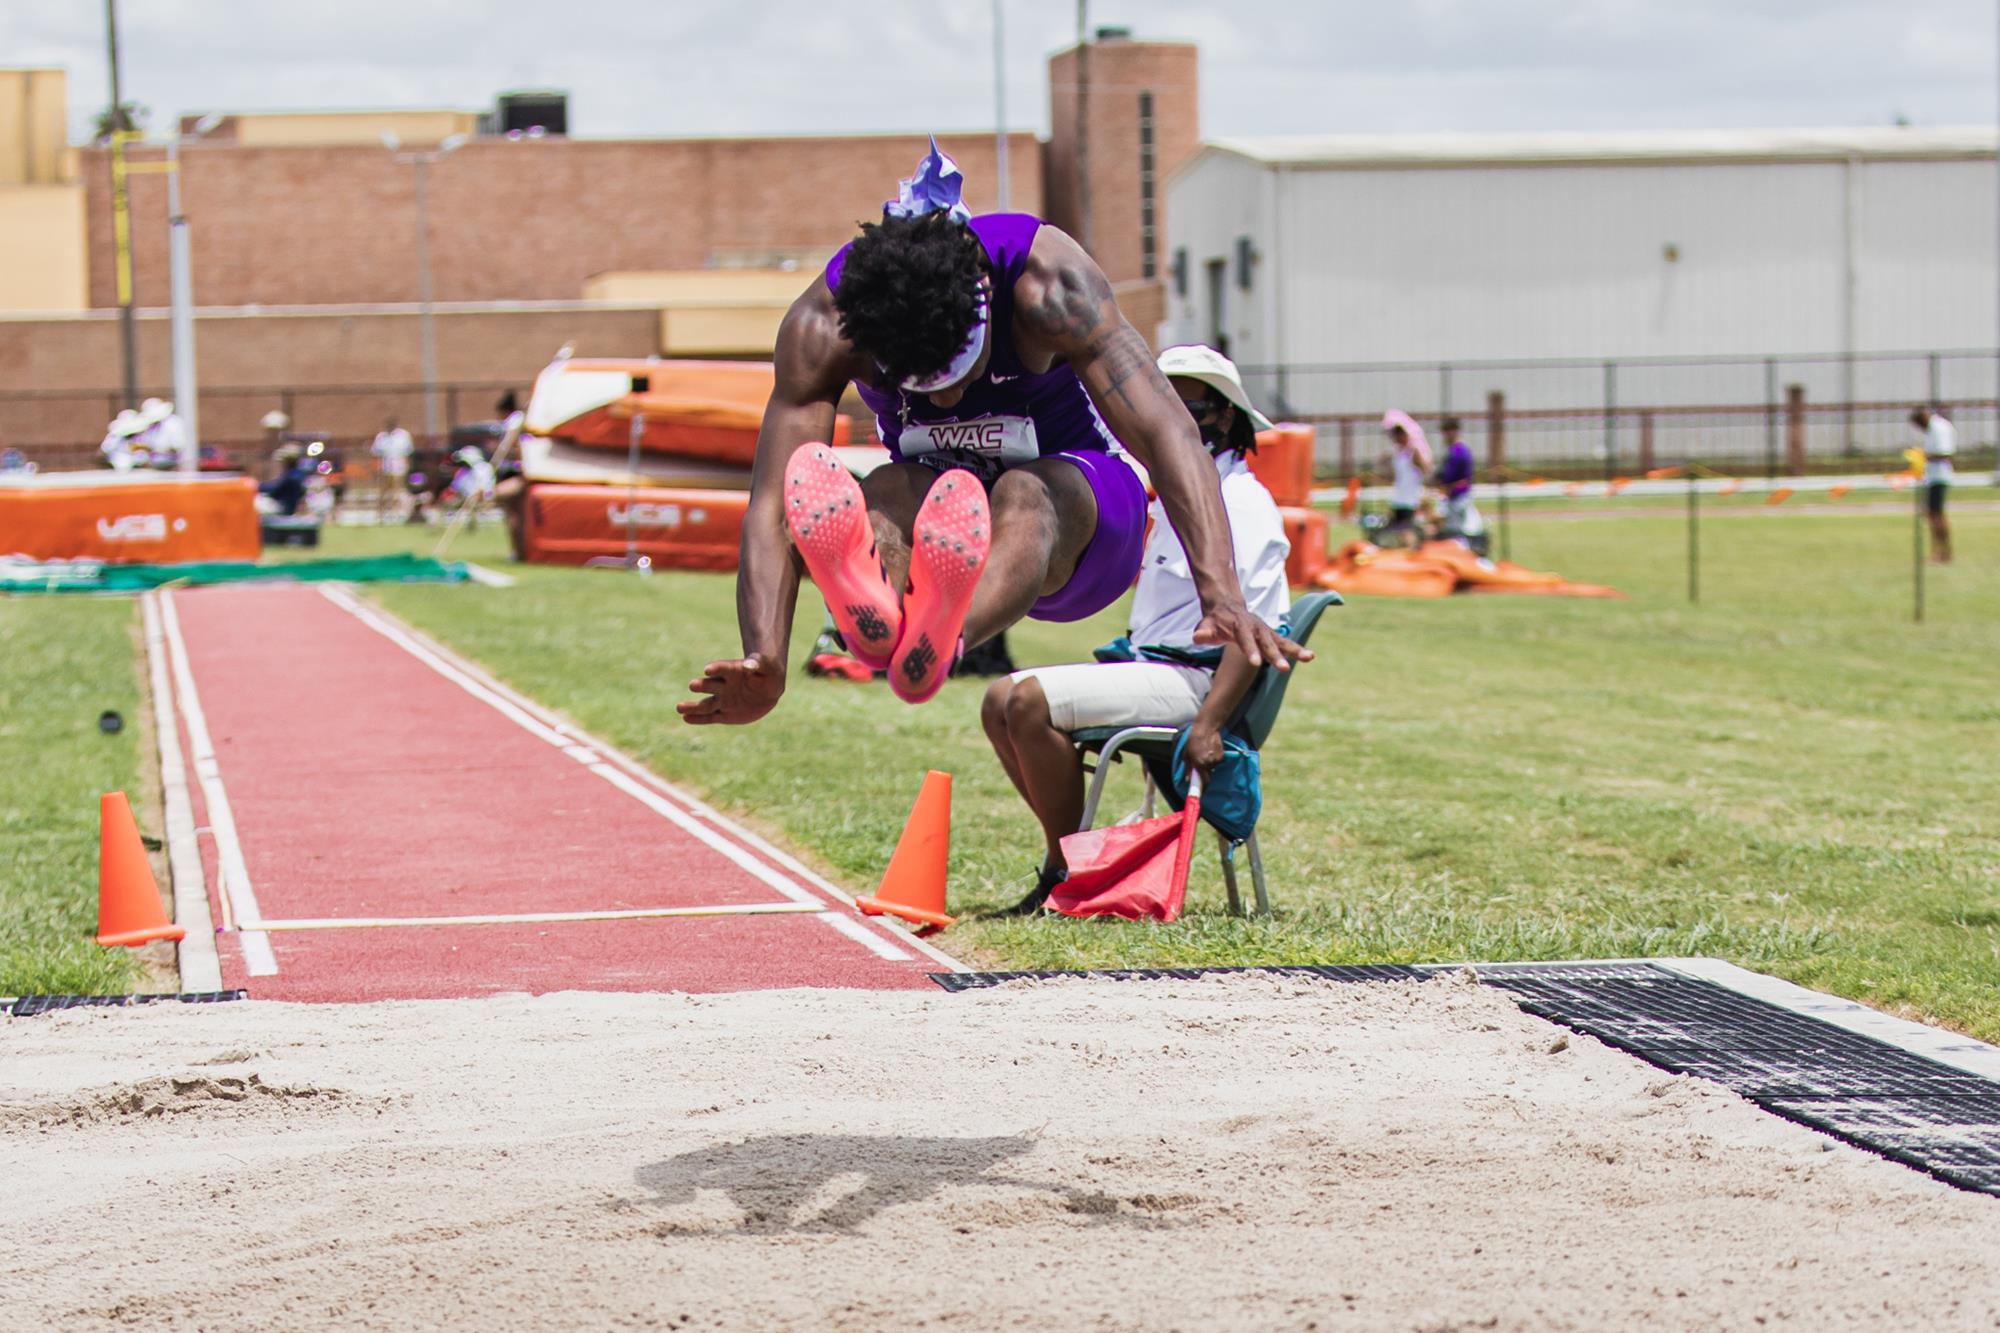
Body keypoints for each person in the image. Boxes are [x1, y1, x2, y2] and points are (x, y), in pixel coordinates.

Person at [679, 141, 1294, 725]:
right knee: (883, 491)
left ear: (985, 303)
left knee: (1025, 492)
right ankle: (890, 623)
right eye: (921, 385)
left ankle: (946, 632)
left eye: (958, 371)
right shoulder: (825, 325)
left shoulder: (1049, 283)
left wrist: (1221, 593)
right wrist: (766, 654)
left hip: (1081, 527)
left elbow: (1167, 434)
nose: (947, 400)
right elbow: (773, 502)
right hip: (940, 511)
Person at [978, 345, 1298, 916]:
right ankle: (1077, 863)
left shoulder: (1241, 502)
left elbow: (1255, 632)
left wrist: (1209, 724)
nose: (1170, 420)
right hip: (1155, 667)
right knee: (998, 699)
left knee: (1027, 701)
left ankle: (1065, 873)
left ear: (1226, 416)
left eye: (1187, 407)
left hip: (1199, 683)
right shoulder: (1184, 497)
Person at [1379, 409, 1432, 547]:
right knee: (1398, 533)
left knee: (1408, 533)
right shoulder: (1398, 453)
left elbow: (1426, 470)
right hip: (1400, 498)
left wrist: (1418, 459)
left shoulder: (1413, 451)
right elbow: (1394, 475)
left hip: (1412, 499)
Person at [1911, 406, 1955, 564]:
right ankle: (1941, 551)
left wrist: (1922, 455)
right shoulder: (1935, 427)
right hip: (1933, 477)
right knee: (1932, 515)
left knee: (1937, 516)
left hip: (1939, 477)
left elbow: (1945, 453)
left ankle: (1942, 552)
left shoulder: (1938, 428)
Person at [1433, 416, 1485, 548]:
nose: (1446, 435)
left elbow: (1460, 478)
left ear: (1455, 431)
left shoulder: (1460, 451)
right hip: (1452, 497)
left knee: (1457, 532)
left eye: (1448, 431)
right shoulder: (1452, 450)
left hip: (1459, 497)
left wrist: (1447, 487)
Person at [371, 417, 414, 523]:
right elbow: (375, 452)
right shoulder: (381, 436)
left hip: (399, 467)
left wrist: (406, 465)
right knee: (383, 493)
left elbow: (408, 451)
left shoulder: (403, 435)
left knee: (397, 492)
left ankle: (396, 514)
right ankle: (381, 515)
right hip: (385, 467)